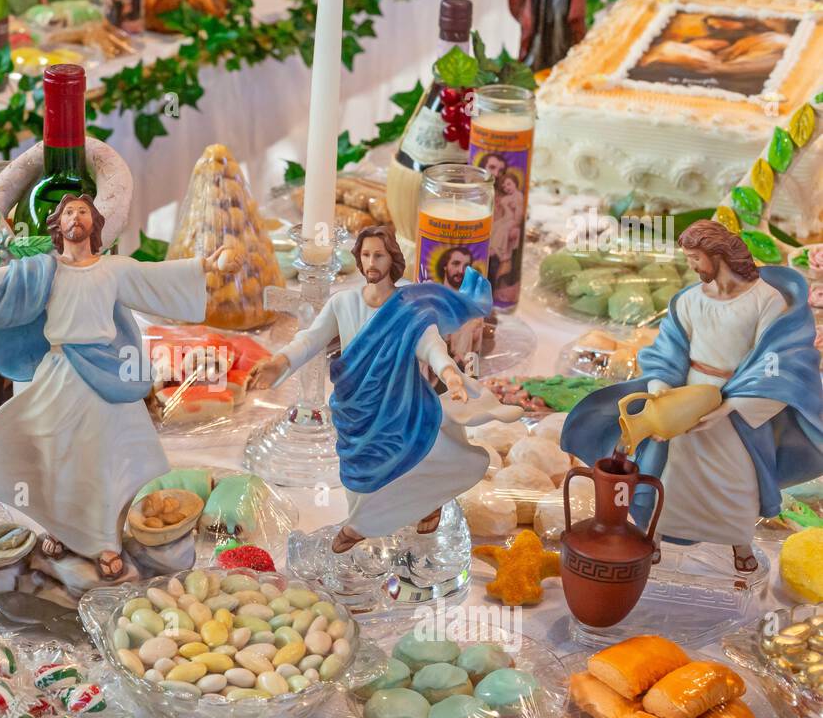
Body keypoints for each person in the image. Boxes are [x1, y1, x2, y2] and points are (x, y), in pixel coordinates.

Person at [0, 194, 242, 580]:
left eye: (83, 211)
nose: (75, 217)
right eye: (68, 212)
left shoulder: (113, 269)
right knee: (55, 457)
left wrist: (208, 265)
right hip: (58, 372)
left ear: (94, 223)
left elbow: (156, 277)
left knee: (104, 460)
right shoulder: (43, 270)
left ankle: (105, 541)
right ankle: (60, 530)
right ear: (58, 225)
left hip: (104, 376)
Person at [562, 220, 823, 573]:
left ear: (718, 256)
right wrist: (660, 391)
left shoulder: (766, 300)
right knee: (674, 475)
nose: (692, 267)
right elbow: (668, 350)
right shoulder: (689, 300)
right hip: (688, 397)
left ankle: (739, 544)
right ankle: (654, 536)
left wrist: (731, 405)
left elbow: (777, 361)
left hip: (740, 402)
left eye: (695, 259)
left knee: (738, 480)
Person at [249, 225, 499, 553]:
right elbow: (312, 338)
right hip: (356, 408)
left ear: (392, 258)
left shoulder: (408, 305)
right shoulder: (343, 303)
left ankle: (369, 524)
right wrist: (280, 362)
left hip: (402, 405)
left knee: (422, 459)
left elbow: (431, 344)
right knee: (359, 475)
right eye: (365, 254)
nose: (371, 261)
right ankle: (366, 521)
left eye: (378, 254)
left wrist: (450, 374)